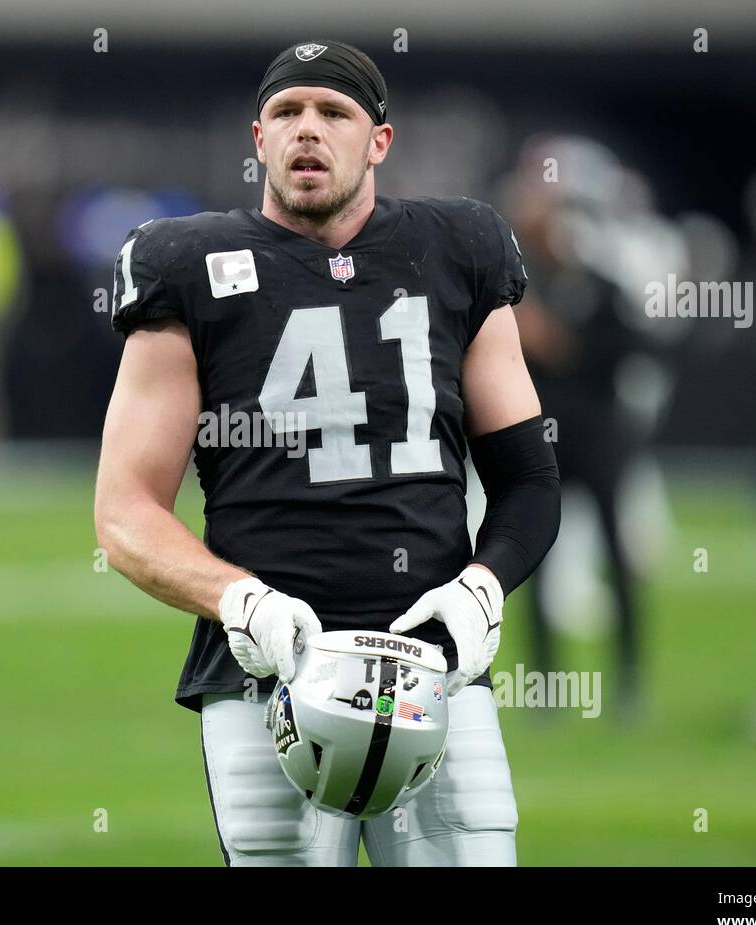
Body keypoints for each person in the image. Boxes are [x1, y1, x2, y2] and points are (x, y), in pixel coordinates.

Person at [94, 40, 559, 866]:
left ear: (379, 140)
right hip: (267, 677)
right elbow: (125, 509)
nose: (308, 130)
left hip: (433, 666)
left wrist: (483, 591)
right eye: (288, 113)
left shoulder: (459, 248)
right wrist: (242, 602)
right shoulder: (188, 266)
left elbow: (529, 478)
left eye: (334, 112)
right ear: (258, 137)